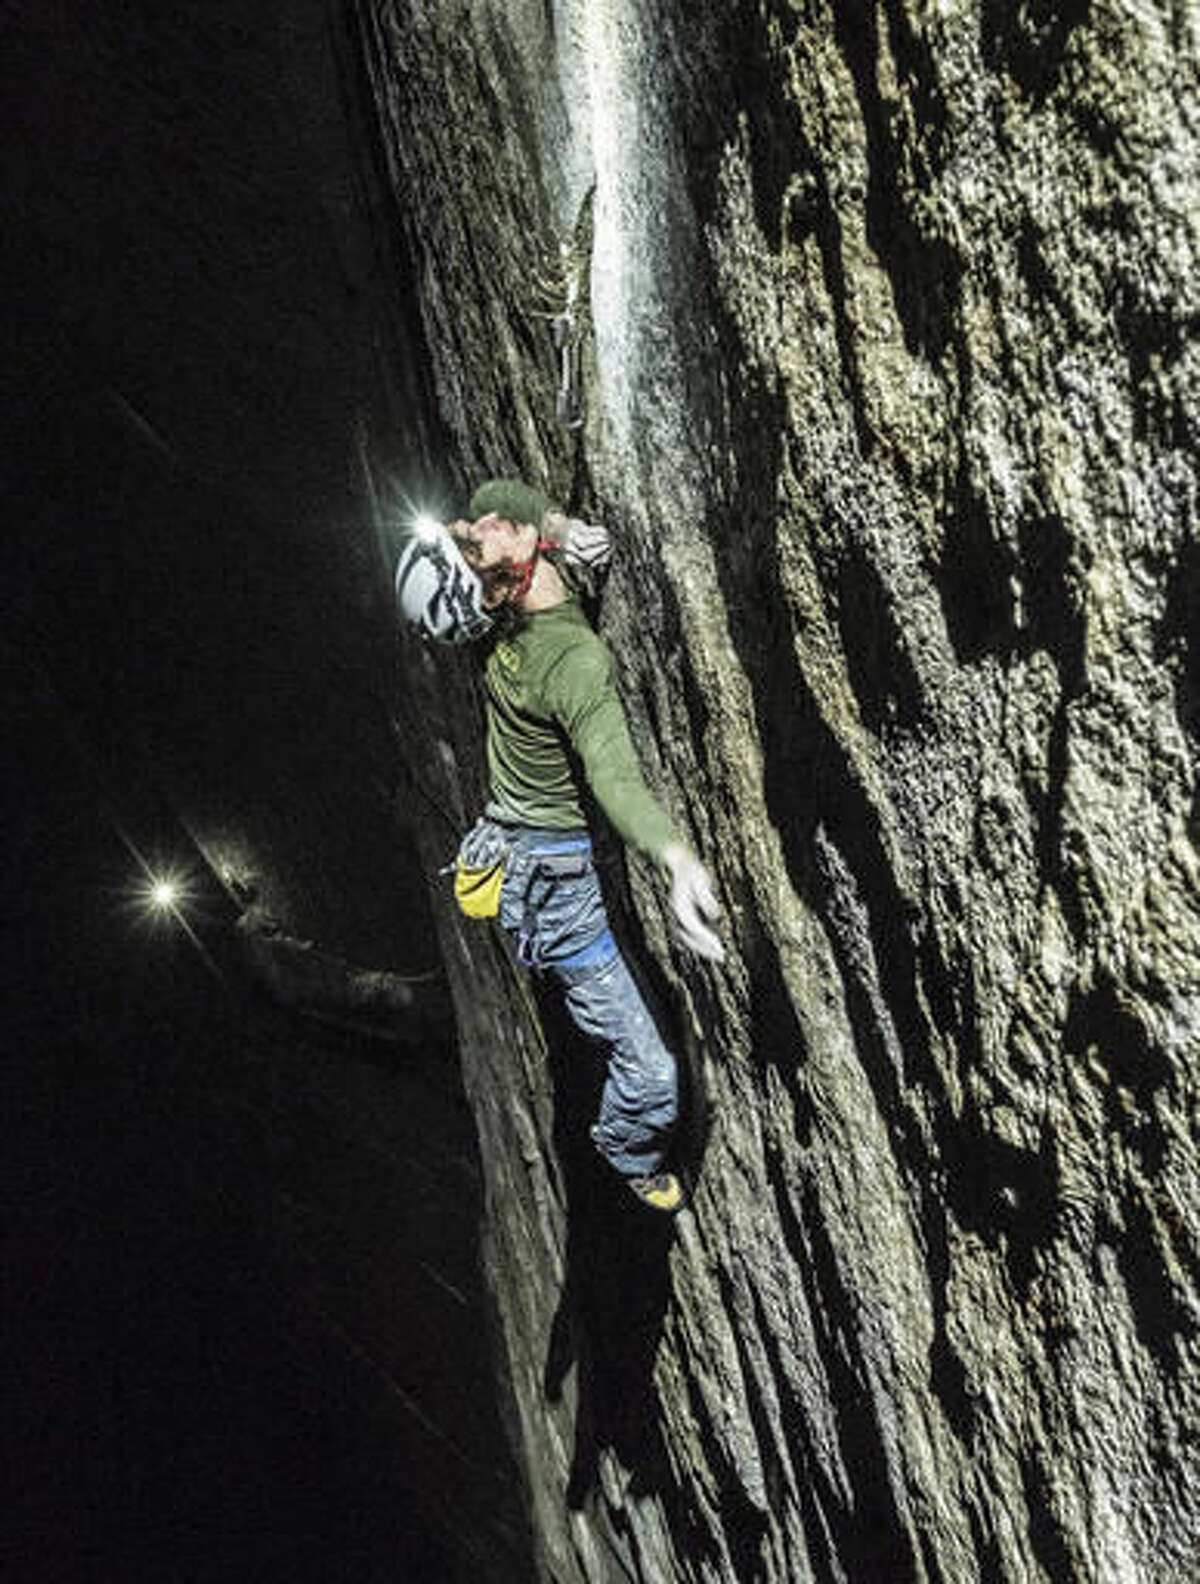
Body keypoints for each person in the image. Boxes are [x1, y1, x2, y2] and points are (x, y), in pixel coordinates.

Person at [395, 477, 723, 1211]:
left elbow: (496, 490)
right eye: (476, 536)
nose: (481, 518)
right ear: (503, 577)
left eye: (468, 527)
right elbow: (614, 780)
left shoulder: (496, 607)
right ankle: (627, 1151)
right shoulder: (573, 663)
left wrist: (556, 523)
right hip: (556, 889)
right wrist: (674, 856)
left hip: (513, 848)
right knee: (652, 1075)